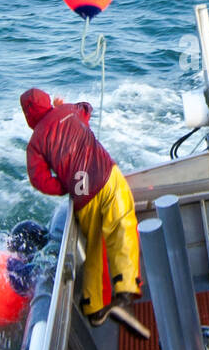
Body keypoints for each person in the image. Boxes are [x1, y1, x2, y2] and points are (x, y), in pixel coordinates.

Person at [21, 88, 141, 325]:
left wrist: (66, 186)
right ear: (48, 101)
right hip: (107, 175)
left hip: (82, 193)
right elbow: (86, 109)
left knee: (96, 245)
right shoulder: (68, 110)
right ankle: (127, 284)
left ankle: (96, 308)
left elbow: (39, 180)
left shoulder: (35, 144)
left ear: (28, 116)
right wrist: (60, 108)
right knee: (123, 223)